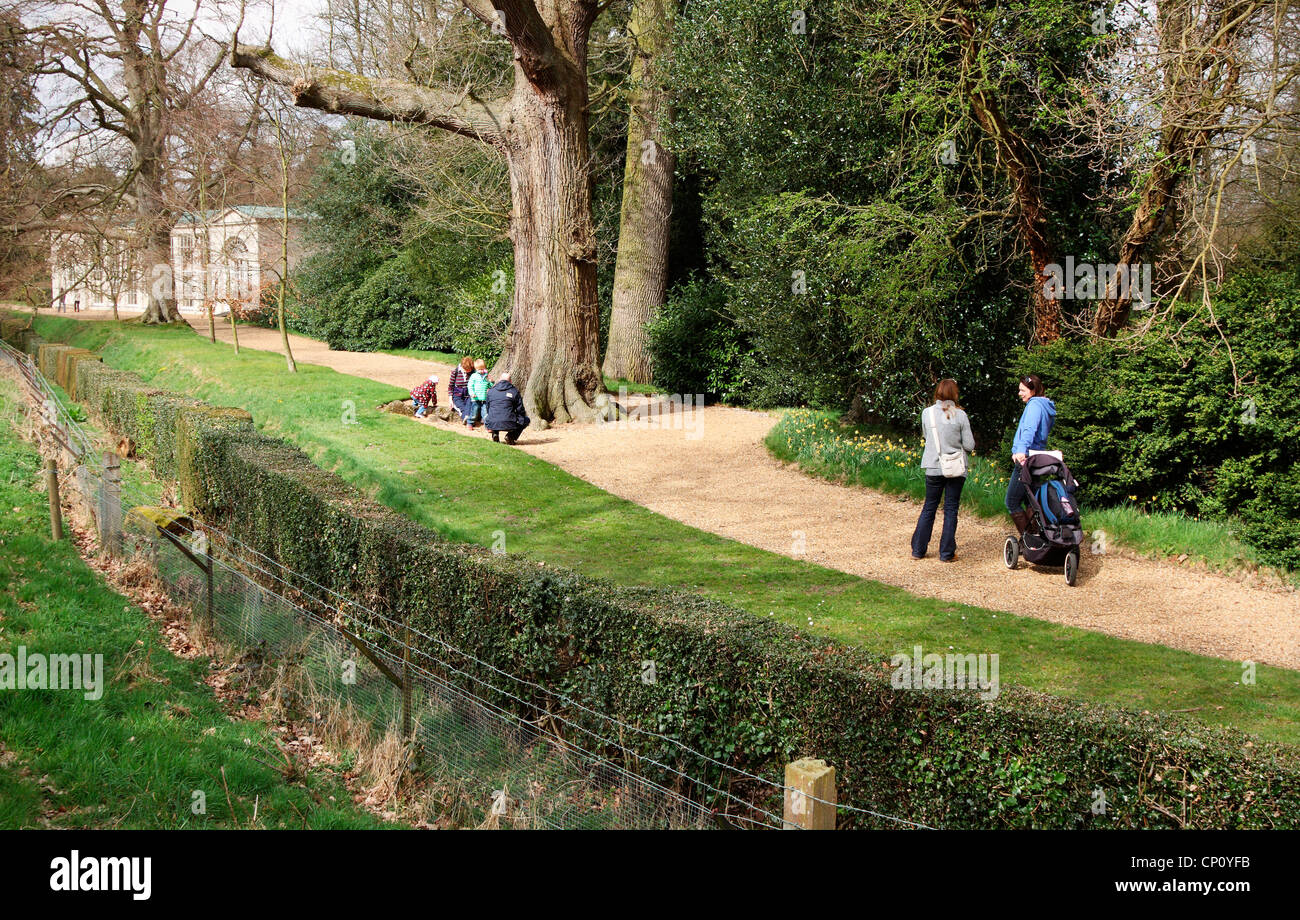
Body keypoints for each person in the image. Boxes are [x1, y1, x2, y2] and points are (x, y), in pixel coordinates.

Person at [911, 379, 975, 562]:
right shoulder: (960, 415)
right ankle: (946, 553)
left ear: (938, 392)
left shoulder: (927, 413)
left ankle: (918, 550)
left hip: (933, 465)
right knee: (951, 509)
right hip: (955, 467)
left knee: (929, 507)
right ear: (955, 394)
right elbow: (970, 445)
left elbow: (926, 436)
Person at [1005, 373, 1057, 536]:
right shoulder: (1045, 405)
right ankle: (1037, 539)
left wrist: (1021, 451)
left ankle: (1029, 538)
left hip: (1026, 459)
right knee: (1030, 501)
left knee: (1012, 501)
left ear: (1032, 389)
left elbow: (1029, 430)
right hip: (1037, 458)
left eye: (1023, 390)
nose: (1019, 393)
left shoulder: (1034, 406)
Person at [484, 372, 531, 444]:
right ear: (510, 381)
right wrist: (519, 417)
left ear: (499, 380)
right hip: (509, 422)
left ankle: (495, 433)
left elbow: (488, 407)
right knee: (526, 420)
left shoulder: (491, 391)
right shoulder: (514, 391)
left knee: (492, 416)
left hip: (492, 422)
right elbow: (520, 409)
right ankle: (510, 436)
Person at [466, 359, 490, 427]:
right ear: (476, 369)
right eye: (479, 369)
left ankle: (487, 425)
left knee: (485, 413)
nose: (481, 371)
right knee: (474, 412)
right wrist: (472, 393)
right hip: (475, 398)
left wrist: (491, 382)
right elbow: (470, 386)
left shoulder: (486, 376)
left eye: (483, 369)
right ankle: (470, 422)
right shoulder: (474, 376)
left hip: (484, 398)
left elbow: (489, 385)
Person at [448, 356, 473, 420]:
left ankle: (467, 419)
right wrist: (450, 400)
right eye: (467, 370)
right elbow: (450, 386)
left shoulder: (473, 372)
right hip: (457, 395)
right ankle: (466, 419)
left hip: (468, 395)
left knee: (469, 407)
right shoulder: (455, 372)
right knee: (462, 408)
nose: (468, 372)